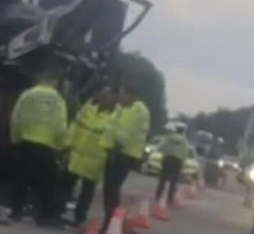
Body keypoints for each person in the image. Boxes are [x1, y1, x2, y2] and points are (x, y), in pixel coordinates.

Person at [9, 65, 68, 226]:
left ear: (42, 78)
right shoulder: (58, 100)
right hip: (47, 146)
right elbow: (61, 126)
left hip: (27, 142)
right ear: (55, 82)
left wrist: (15, 140)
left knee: (22, 179)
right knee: (46, 183)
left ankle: (16, 211)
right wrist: (60, 146)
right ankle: (42, 216)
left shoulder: (28, 95)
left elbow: (16, 117)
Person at [99, 82, 151, 234]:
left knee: (112, 189)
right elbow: (113, 127)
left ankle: (111, 222)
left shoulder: (137, 110)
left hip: (123, 153)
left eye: (123, 94)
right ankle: (111, 221)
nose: (120, 97)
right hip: (115, 151)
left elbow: (124, 132)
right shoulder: (124, 107)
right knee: (109, 189)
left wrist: (115, 149)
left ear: (132, 95)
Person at [63, 86, 117, 227]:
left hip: (95, 160)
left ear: (113, 100)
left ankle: (79, 218)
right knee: (66, 185)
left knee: (86, 191)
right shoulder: (88, 109)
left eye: (108, 97)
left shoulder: (114, 117)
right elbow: (75, 126)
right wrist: (67, 144)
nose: (103, 99)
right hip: (76, 154)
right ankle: (58, 211)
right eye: (102, 95)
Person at [156, 126, 189, 207]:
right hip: (177, 161)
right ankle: (170, 199)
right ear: (182, 132)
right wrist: (183, 164)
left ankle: (158, 195)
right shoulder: (184, 141)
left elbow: (160, 147)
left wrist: (165, 153)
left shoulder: (169, 138)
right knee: (173, 182)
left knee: (163, 179)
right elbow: (185, 153)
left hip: (167, 159)